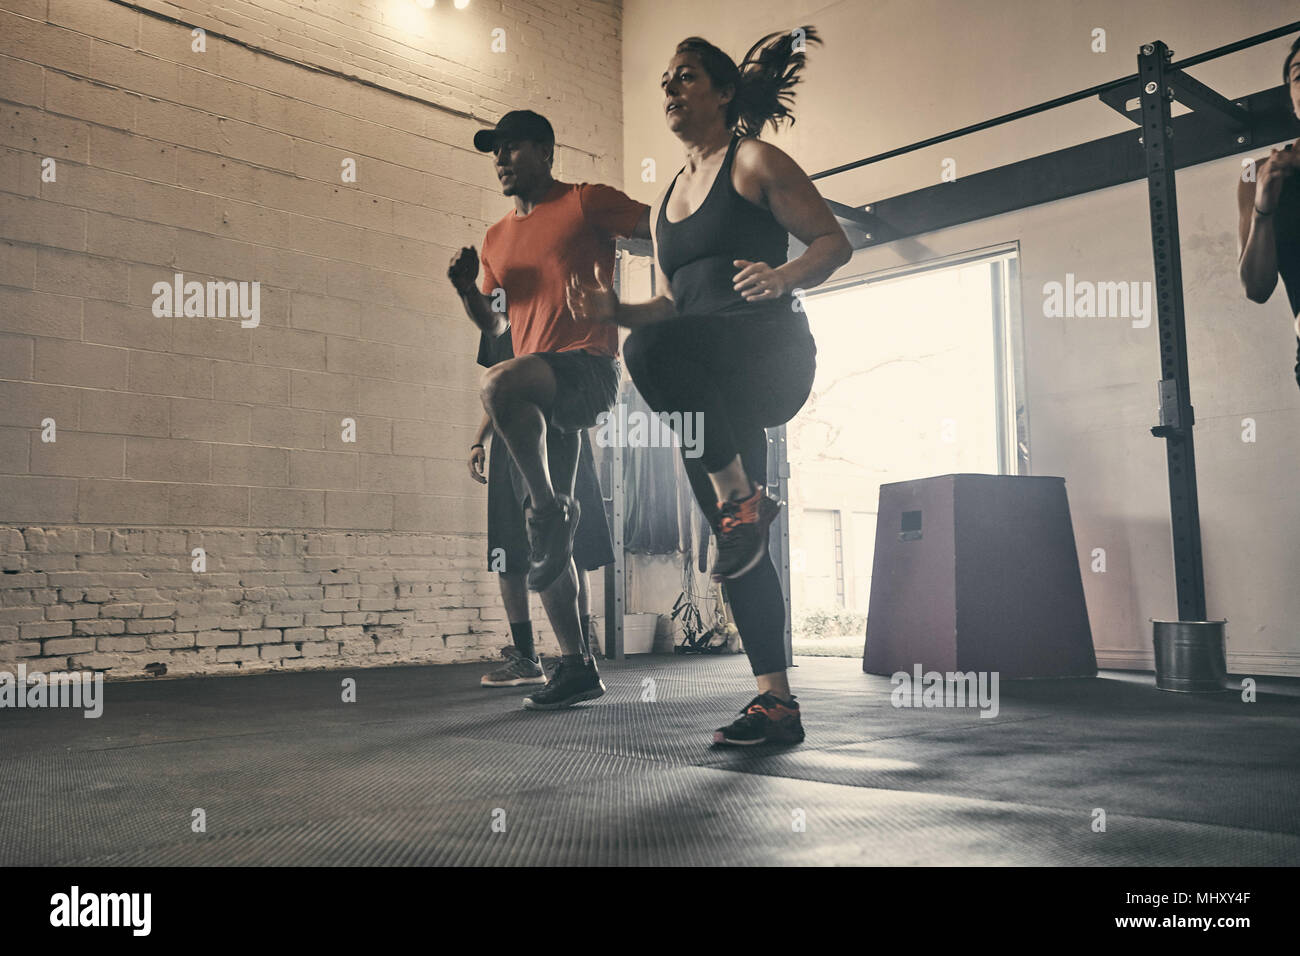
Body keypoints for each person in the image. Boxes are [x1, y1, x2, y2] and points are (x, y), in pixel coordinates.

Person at [566, 29, 851, 745]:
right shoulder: (666, 203)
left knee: (654, 356)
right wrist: (615, 312)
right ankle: (775, 702)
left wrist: (782, 276)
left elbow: (833, 241)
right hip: (707, 380)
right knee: (737, 547)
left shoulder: (753, 161)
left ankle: (743, 500)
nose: (671, 88)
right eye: (666, 79)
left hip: (767, 352)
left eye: (686, 76)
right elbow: (669, 307)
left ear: (723, 94)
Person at [447, 110, 651, 709]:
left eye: (512, 149)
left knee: (499, 387)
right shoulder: (495, 238)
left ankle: (548, 510)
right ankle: (576, 664)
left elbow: (661, 228)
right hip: (538, 391)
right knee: (547, 550)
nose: (501, 161)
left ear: (545, 151)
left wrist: (647, 302)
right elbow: (494, 323)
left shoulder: (586, 203)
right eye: (495, 153)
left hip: (586, 369)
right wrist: (465, 289)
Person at [466, 323, 614, 688]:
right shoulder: (496, 317)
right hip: (510, 439)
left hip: (561, 431)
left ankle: (580, 657)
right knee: (507, 550)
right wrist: (478, 440)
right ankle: (527, 658)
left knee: (567, 544)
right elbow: (498, 390)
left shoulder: (556, 308)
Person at [1238, 34, 1300, 390]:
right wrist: (1264, 206)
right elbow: (1256, 288)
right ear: (1291, 99)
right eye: (1299, 75)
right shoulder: (1256, 173)